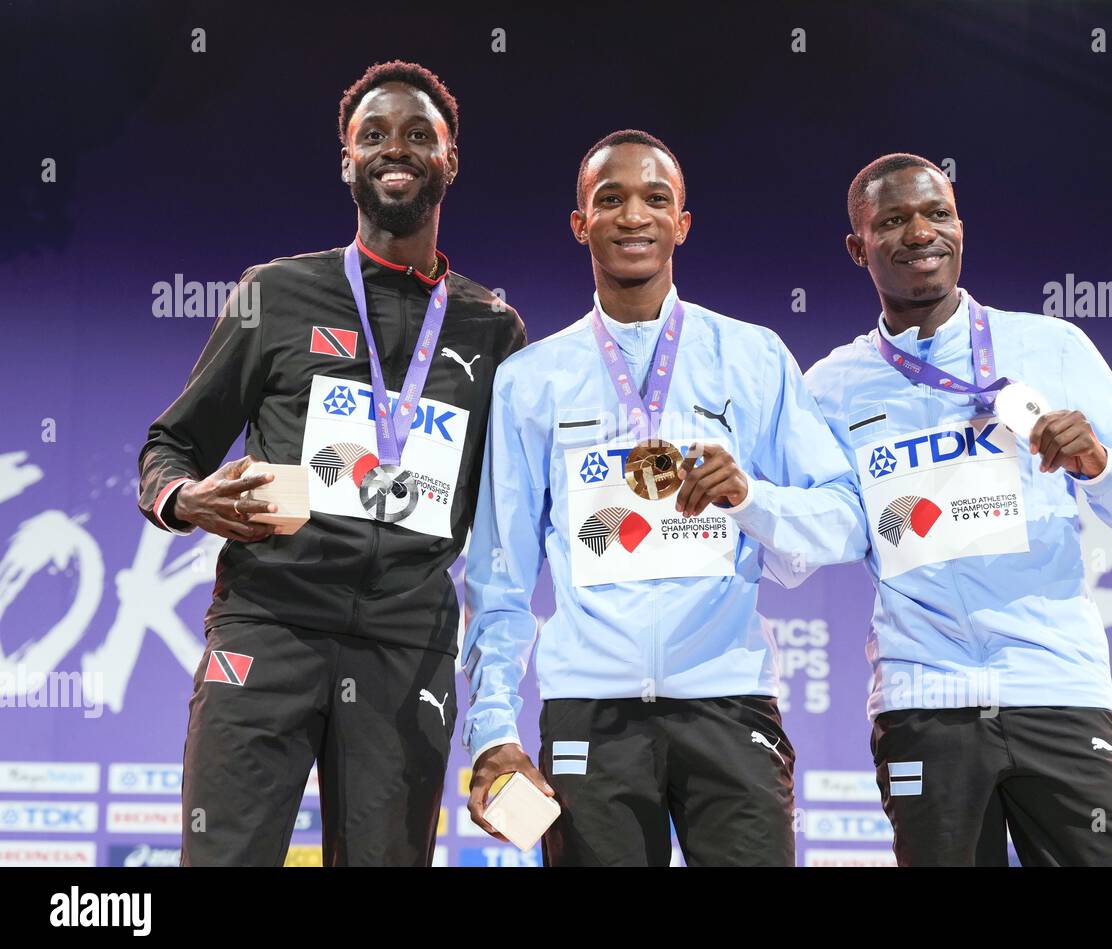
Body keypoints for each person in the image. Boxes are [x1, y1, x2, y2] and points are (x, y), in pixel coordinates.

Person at [137, 60, 525, 866]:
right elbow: (170, 444)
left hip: (406, 646)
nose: (397, 149)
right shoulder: (274, 294)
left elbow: (504, 525)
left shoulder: (493, 330)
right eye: (373, 135)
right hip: (268, 626)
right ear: (347, 160)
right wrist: (186, 499)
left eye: (421, 135)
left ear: (450, 160)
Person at [460, 130, 860, 866]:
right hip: (590, 715)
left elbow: (846, 518)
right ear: (581, 223)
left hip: (728, 702)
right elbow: (499, 581)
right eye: (608, 200)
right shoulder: (532, 379)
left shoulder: (754, 355)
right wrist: (492, 730)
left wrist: (751, 499)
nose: (632, 216)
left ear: (683, 223)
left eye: (656, 199)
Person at [798, 152, 1112, 865]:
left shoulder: (1050, 346)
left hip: (1056, 690)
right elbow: (812, 538)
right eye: (893, 221)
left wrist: (1100, 463)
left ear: (960, 227)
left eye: (937, 213)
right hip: (923, 702)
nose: (921, 233)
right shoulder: (827, 388)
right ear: (859, 248)